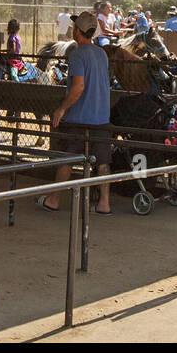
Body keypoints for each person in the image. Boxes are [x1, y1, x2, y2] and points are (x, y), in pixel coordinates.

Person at [39, 12, 113, 214]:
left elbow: (78, 87)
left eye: (74, 27)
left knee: (68, 159)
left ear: (78, 31)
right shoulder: (101, 54)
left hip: (80, 118)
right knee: (103, 161)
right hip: (101, 117)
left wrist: (62, 108)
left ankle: (54, 199)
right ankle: (104, 203)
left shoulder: (77, 55)